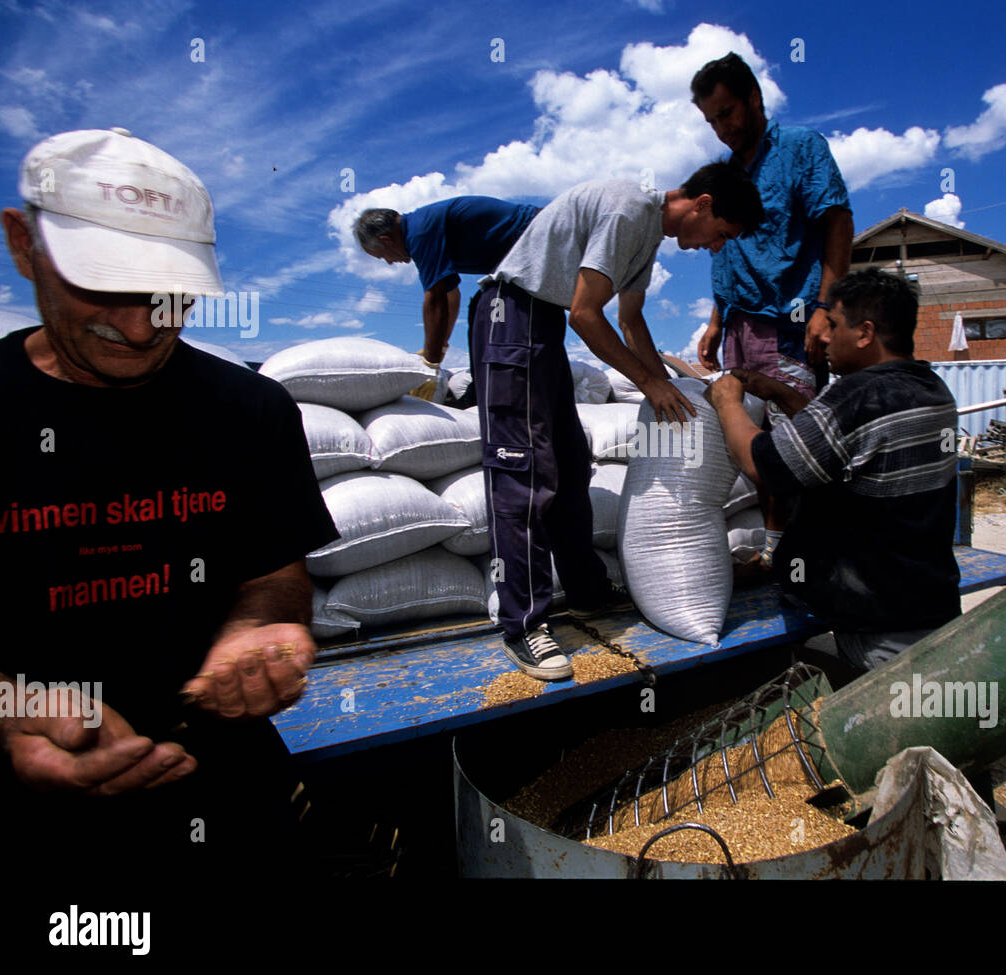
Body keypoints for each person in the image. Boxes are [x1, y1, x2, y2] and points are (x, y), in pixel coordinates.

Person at [0, 128, 339, 885]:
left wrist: (262, 627)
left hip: (224, 789)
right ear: (23, 245)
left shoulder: (249, 411)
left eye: (165, 295)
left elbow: (272, 573)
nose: (139, 326)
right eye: (103, 287)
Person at [472, 163, 763, 680]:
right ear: (703, 203)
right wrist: (652, 385)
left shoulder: (647, 234)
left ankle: (585, 592)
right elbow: (586, 313)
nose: (713, 247)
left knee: (568, 460)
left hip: (541, 326)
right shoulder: (629, 208)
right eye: (720, 234)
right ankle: (523, 625)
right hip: (510, 317)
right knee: (526, 475)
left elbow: (630, 321)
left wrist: (672, 390)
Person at [704, 268, 961, 671]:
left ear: (865, 334)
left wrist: (726, 403)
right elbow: (845, 443)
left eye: (835, 325)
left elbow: (765, 466)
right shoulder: (931, 388)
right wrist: (781, 393)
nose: (823, 335)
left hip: (876, 623)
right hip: (929, 601)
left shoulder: (857, 394)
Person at [691, 51, 854, 572]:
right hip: (738, 325)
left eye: (728, 113)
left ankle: (809, 562)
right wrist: (718, 321)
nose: (722, 128)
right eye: (711, 120)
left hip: (791, 324)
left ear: (755, 99)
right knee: (751, 445)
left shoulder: (800, 149)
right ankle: (776, 556)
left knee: (796, 446)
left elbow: (837, 223)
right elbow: (725, 249)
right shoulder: (726, 172)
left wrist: (826, 305)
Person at [353, 197, 539, 374]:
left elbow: (435, 299)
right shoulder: (419, 228)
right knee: (482, 312)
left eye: (382, 256)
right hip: (526, 251)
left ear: (387, 241)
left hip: (537, 234)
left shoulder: (419, 233)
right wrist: (440, 347)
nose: (389, 262)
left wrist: (429, 364)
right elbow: (451, 297)